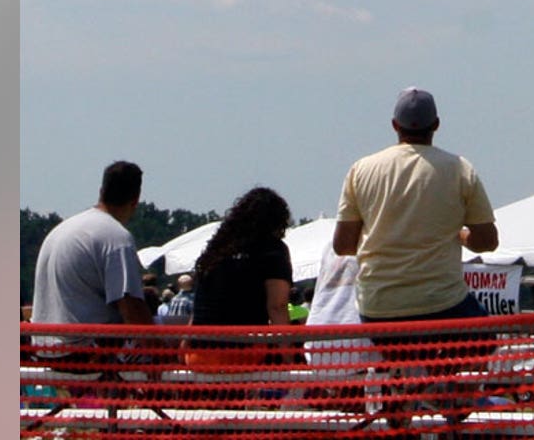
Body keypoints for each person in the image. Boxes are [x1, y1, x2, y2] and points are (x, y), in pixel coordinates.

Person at [331, 87, 498, 323]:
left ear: (395, 125)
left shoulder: (361, 170)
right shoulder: (460, 169)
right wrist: (460, 236)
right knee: (484, 339)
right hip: (442, 302)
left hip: (378, 306)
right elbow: (487, 242)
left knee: (402, 359)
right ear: (436, 124)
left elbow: (343, 245)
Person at [29, 161, 155, 359]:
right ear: (136, 199)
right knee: (157, 358)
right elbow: (132, 308)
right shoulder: (116, 238)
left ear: (101, 191)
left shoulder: (63, 230)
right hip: (84, 351)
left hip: (44, 348)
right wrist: (162, 349)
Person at [188, 186, 296, 367]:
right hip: (243, 354)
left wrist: (185, 344)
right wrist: (290, 358)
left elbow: (200, 305)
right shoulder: (272, 251)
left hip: (199, 355)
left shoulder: (215, 251)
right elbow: (277, 307)